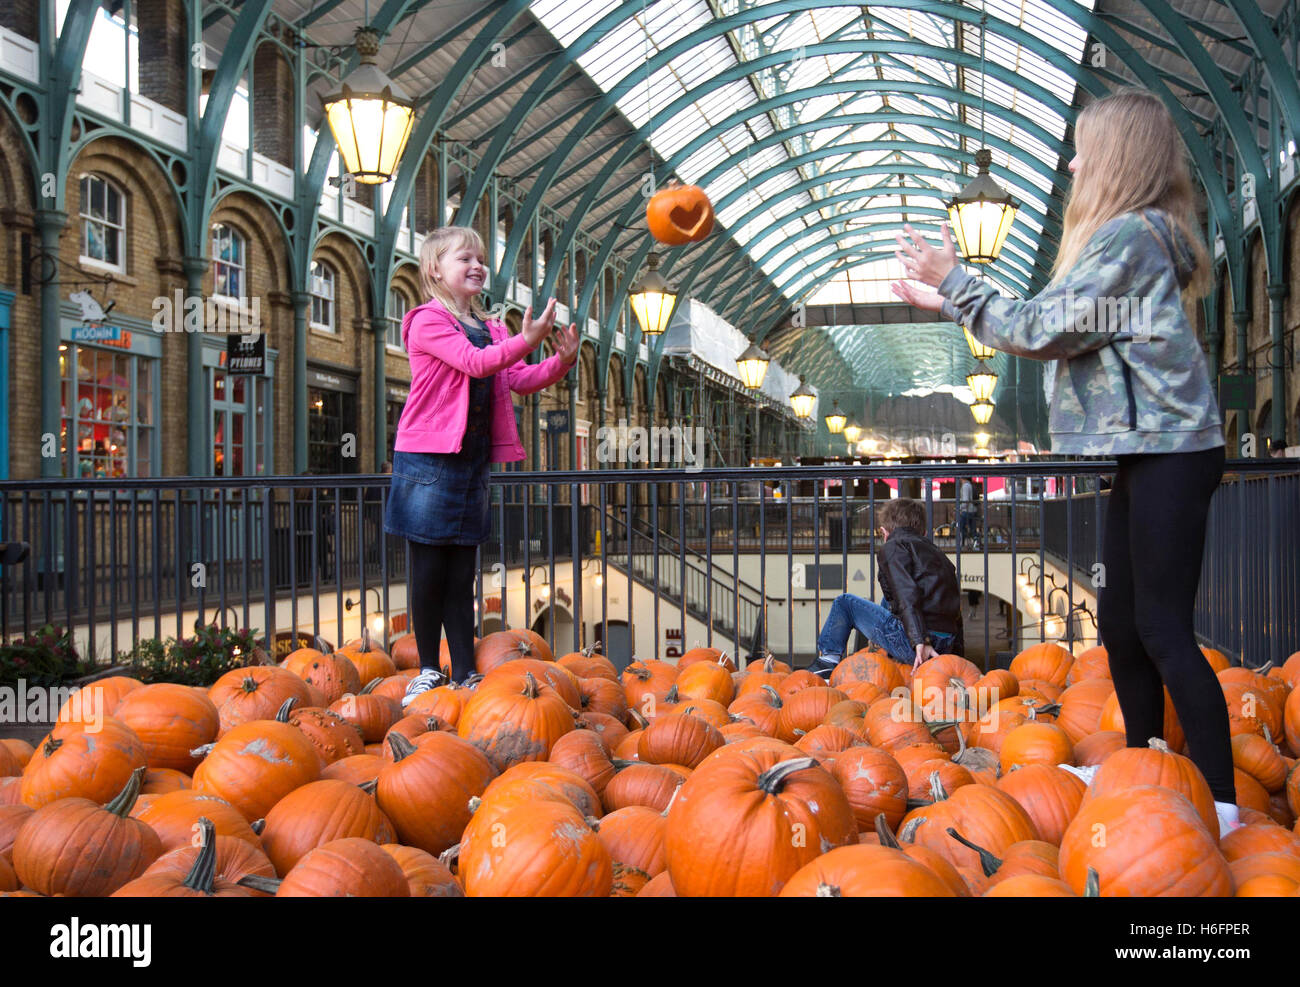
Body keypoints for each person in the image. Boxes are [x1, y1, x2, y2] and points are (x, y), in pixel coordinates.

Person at [890, 87, 1236, 832]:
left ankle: (1224, 804)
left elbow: (1045, 327)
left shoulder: (1132, 240)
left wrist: (955, 280)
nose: (1073, 162)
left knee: (1166, 629)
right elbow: (1052, 325)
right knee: (1120, 619)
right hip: (1151, 452)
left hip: (1172, 452)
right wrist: (949, 303)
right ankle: (1145, 761)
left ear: (1115, 157)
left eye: (1084, 149)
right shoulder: (1138, 238)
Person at [386, 226, 578, 707]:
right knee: (429, 570)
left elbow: (515, 377)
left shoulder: (491, 326)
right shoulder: (427, 321)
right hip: (429, 462)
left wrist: (561, 360)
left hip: (471, 465)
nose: (477, 266)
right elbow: (475, 364)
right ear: (435, 269)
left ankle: (467, 670)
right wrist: (528, 338)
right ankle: (430, 668)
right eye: (464, 259)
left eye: (481, 259)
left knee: (462, 574)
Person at [810, 497, 964, 679]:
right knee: (889, 596)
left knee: (845, 603)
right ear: (923, 531)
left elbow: (906, 593)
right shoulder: (939, 555)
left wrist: (920, 640)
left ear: (884, 532)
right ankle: (878, 649)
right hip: (944, 643)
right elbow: (955, 610)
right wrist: (957, 660)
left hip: (918, 642)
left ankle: (827, 662)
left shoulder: (893, 546)